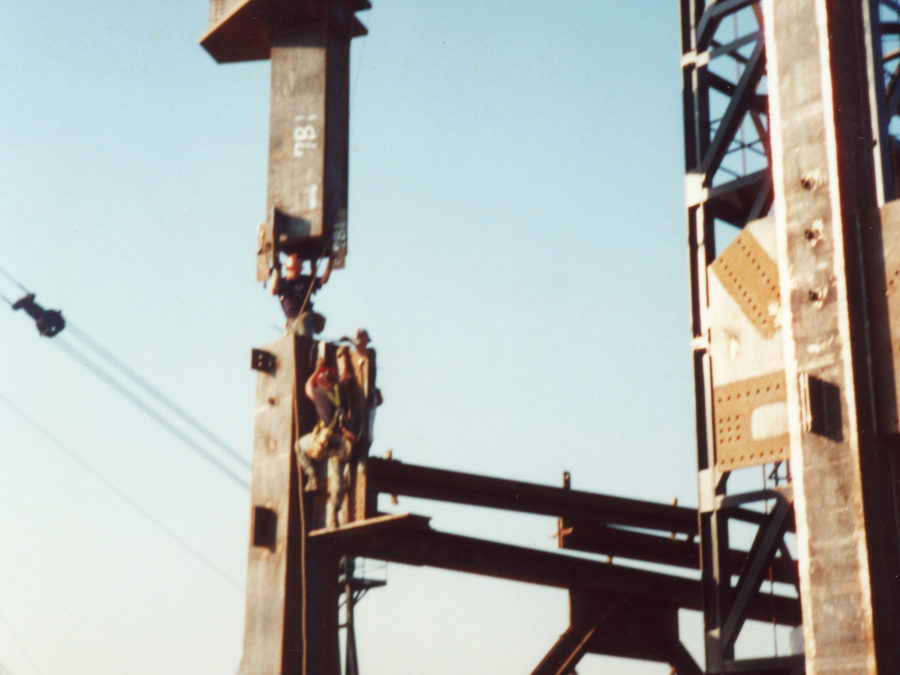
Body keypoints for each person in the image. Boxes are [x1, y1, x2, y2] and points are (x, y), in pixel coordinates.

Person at [296, 365, 357, 528]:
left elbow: (308, 386)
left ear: (321, 381)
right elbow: (345, 376)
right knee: (337, 481)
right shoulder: (341, 391)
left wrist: (316, 369)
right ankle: (333, 517)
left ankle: (312, 476)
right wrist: (343, 362)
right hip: (340, 444)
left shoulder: (318, 393)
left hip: (324, 443)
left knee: (299, 445)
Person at [268, 253, 331, 335]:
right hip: (293, 320)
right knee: (305, 320)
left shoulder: (305, 280)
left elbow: (323, 280)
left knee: (311, 318)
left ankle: (307, 341)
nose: (300, 261)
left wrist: (330, 264)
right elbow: (272, 291)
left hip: (306, 317)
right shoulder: (283, 282)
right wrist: (276, 271)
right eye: (297, 259)